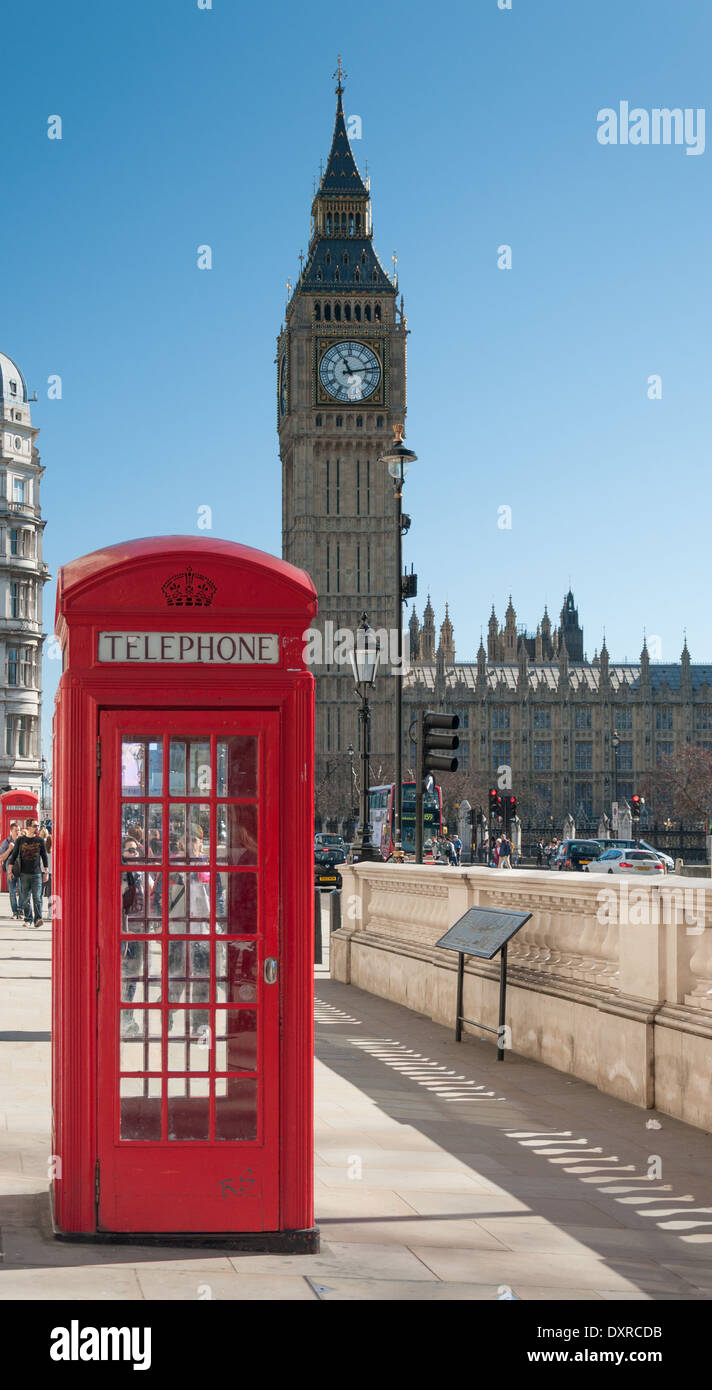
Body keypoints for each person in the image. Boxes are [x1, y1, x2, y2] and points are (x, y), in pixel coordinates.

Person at [7, 818, 49, 926]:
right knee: (25, 899)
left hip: (37, 874)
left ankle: (38, 919)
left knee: (37, 898)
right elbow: (14, 856)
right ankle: (28, 919)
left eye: (37, 826)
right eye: (35, 826)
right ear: (28, 827)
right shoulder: (20, 840)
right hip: (24, 874)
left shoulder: (40, 840)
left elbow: (44, 857)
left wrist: (46, 872)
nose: (37, 828)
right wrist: (10, 871)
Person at [0, 821, 21, 919]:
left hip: (21, 871)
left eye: (19, 830)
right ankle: (15, 912)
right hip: (10, 872)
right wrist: (9, 849)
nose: (18, 832)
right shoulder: (6, 842)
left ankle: (20, 911)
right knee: (12, 892)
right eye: (16, 830)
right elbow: (1, 858)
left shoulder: (22, 841)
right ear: (11, 831)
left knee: (22, 892)